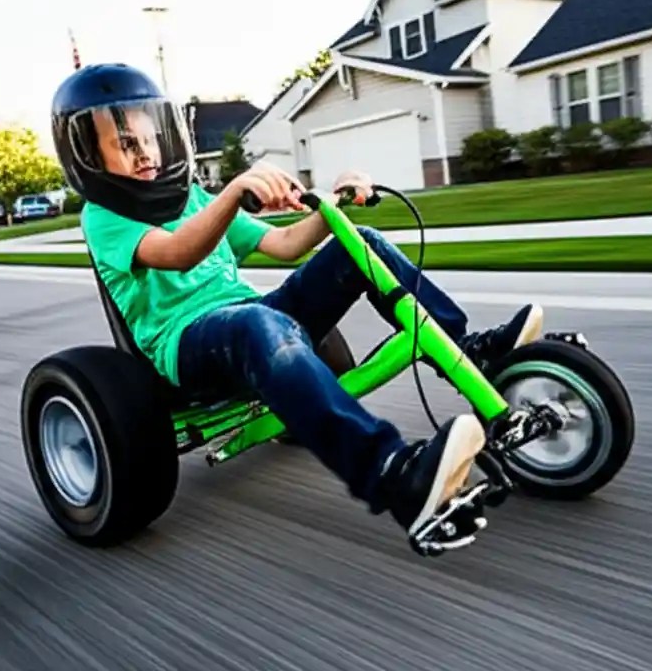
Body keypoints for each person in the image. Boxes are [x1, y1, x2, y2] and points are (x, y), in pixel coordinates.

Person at [51, 63, 543, 543]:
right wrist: (235, 192)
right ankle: (392, 476)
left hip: (248, 322)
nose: (144, 152)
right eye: (124, 145)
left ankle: (469, 351)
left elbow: (287, 246)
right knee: (258, 322)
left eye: (148, 136)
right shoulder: (104, 218)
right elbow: (177, 254)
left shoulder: (195, 200)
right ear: (90, 161)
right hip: (184, 349)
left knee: (359, 245)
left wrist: (336, 204)